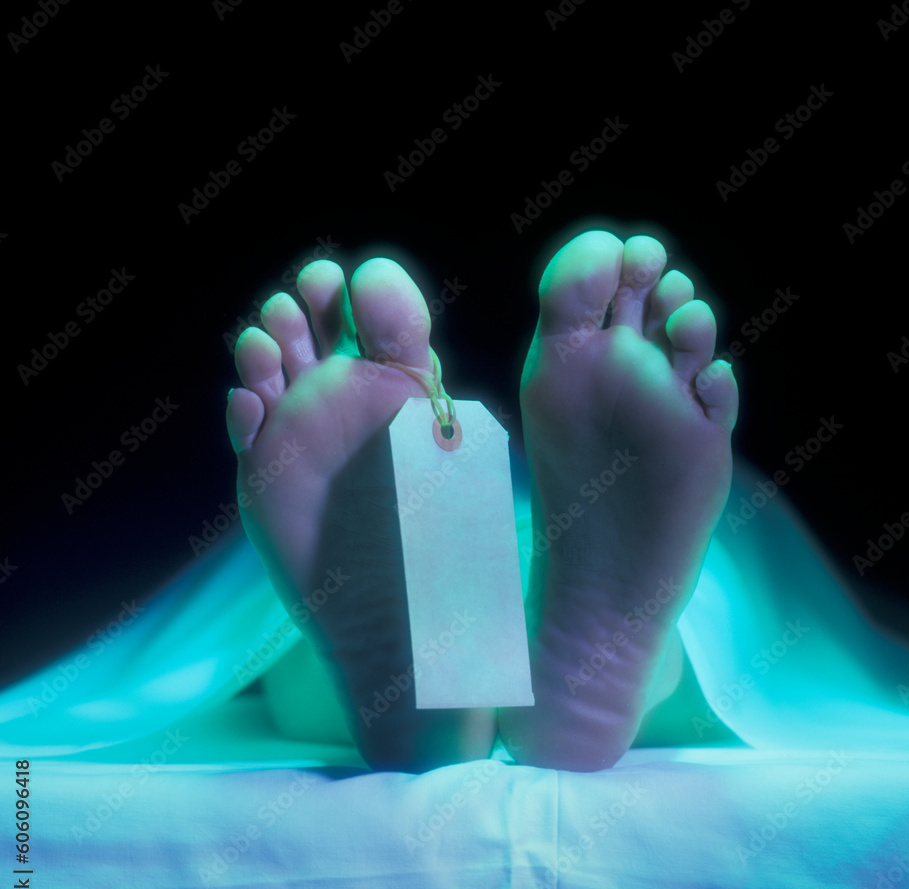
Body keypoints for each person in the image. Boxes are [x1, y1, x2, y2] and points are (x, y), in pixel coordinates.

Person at [226, 229, 739, 773]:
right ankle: (632, 677)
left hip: (377, 547)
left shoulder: (310, 446)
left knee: (269, 637)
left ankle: (411, 700)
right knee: (723, 601)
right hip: (601, 530)